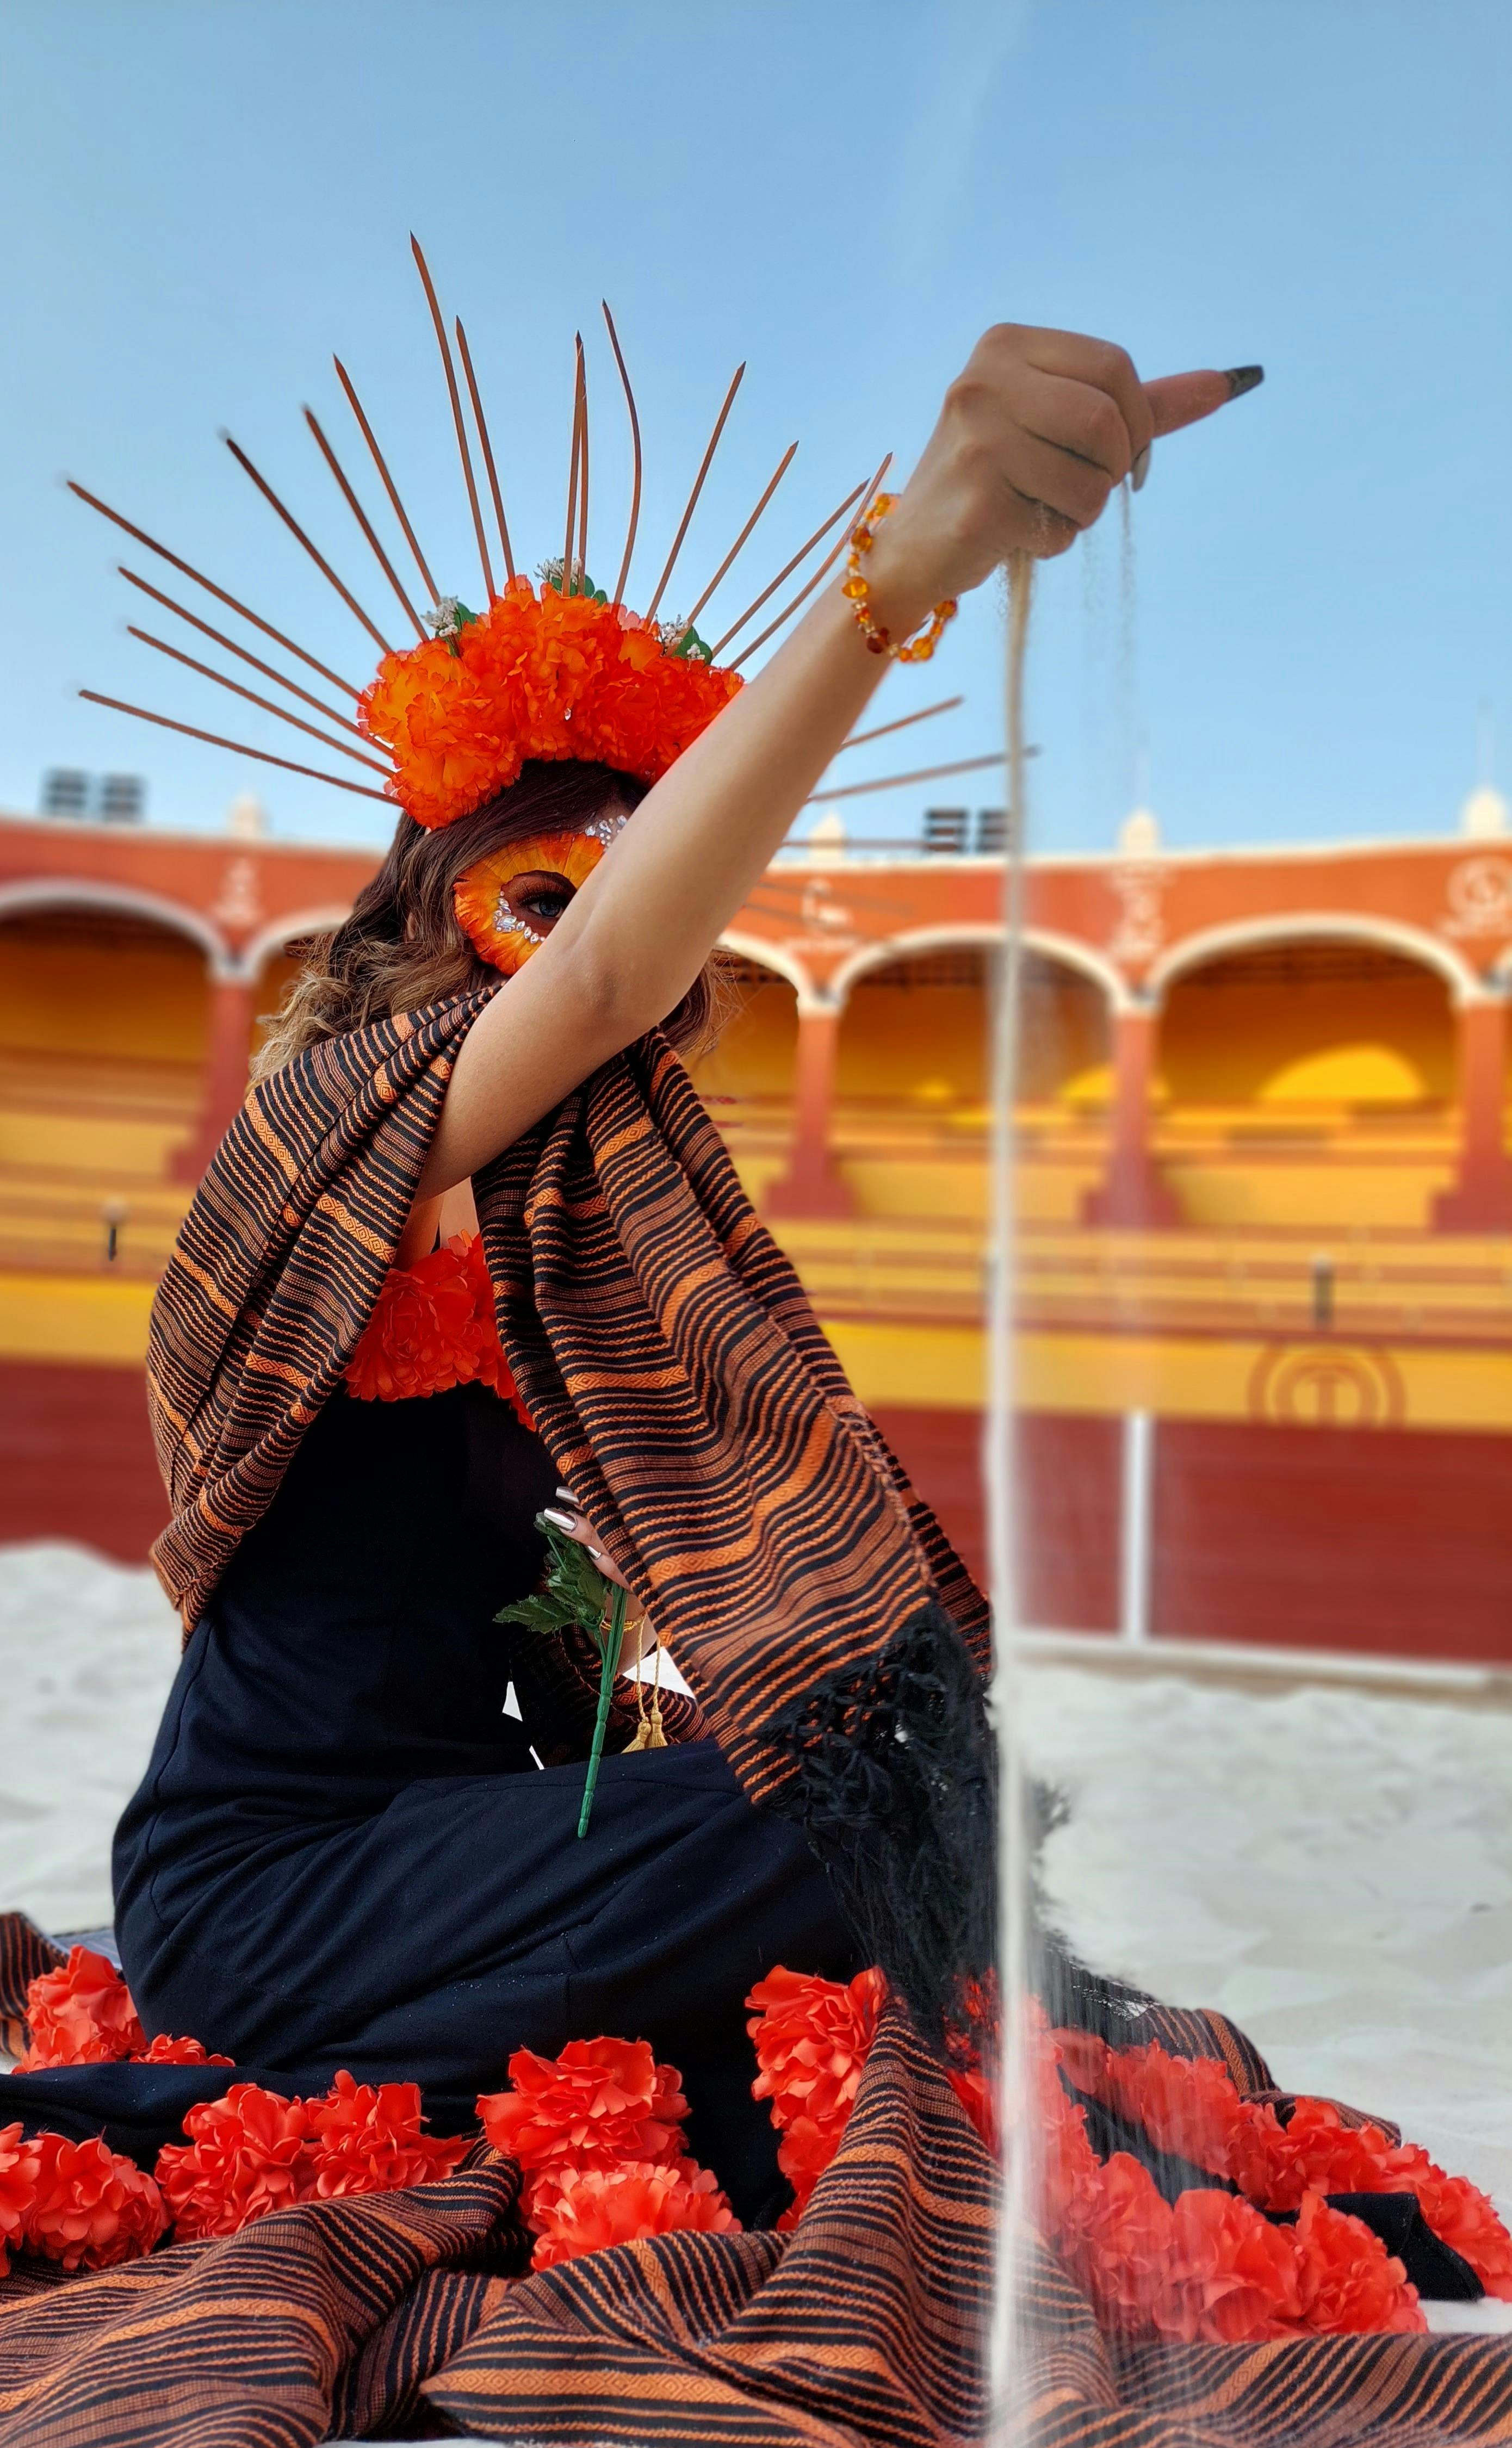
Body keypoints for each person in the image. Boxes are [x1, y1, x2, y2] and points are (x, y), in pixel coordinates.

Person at [109, 324, 1237, 2222]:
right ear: (433, 894)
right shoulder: (342, 1131)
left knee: (891, 1768)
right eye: (541, 888)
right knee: (873, 1805)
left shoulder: (556, 1244)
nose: (601, 932)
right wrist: (900, 577)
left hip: (440, 1840)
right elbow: (611, 977)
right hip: (271, 1886)